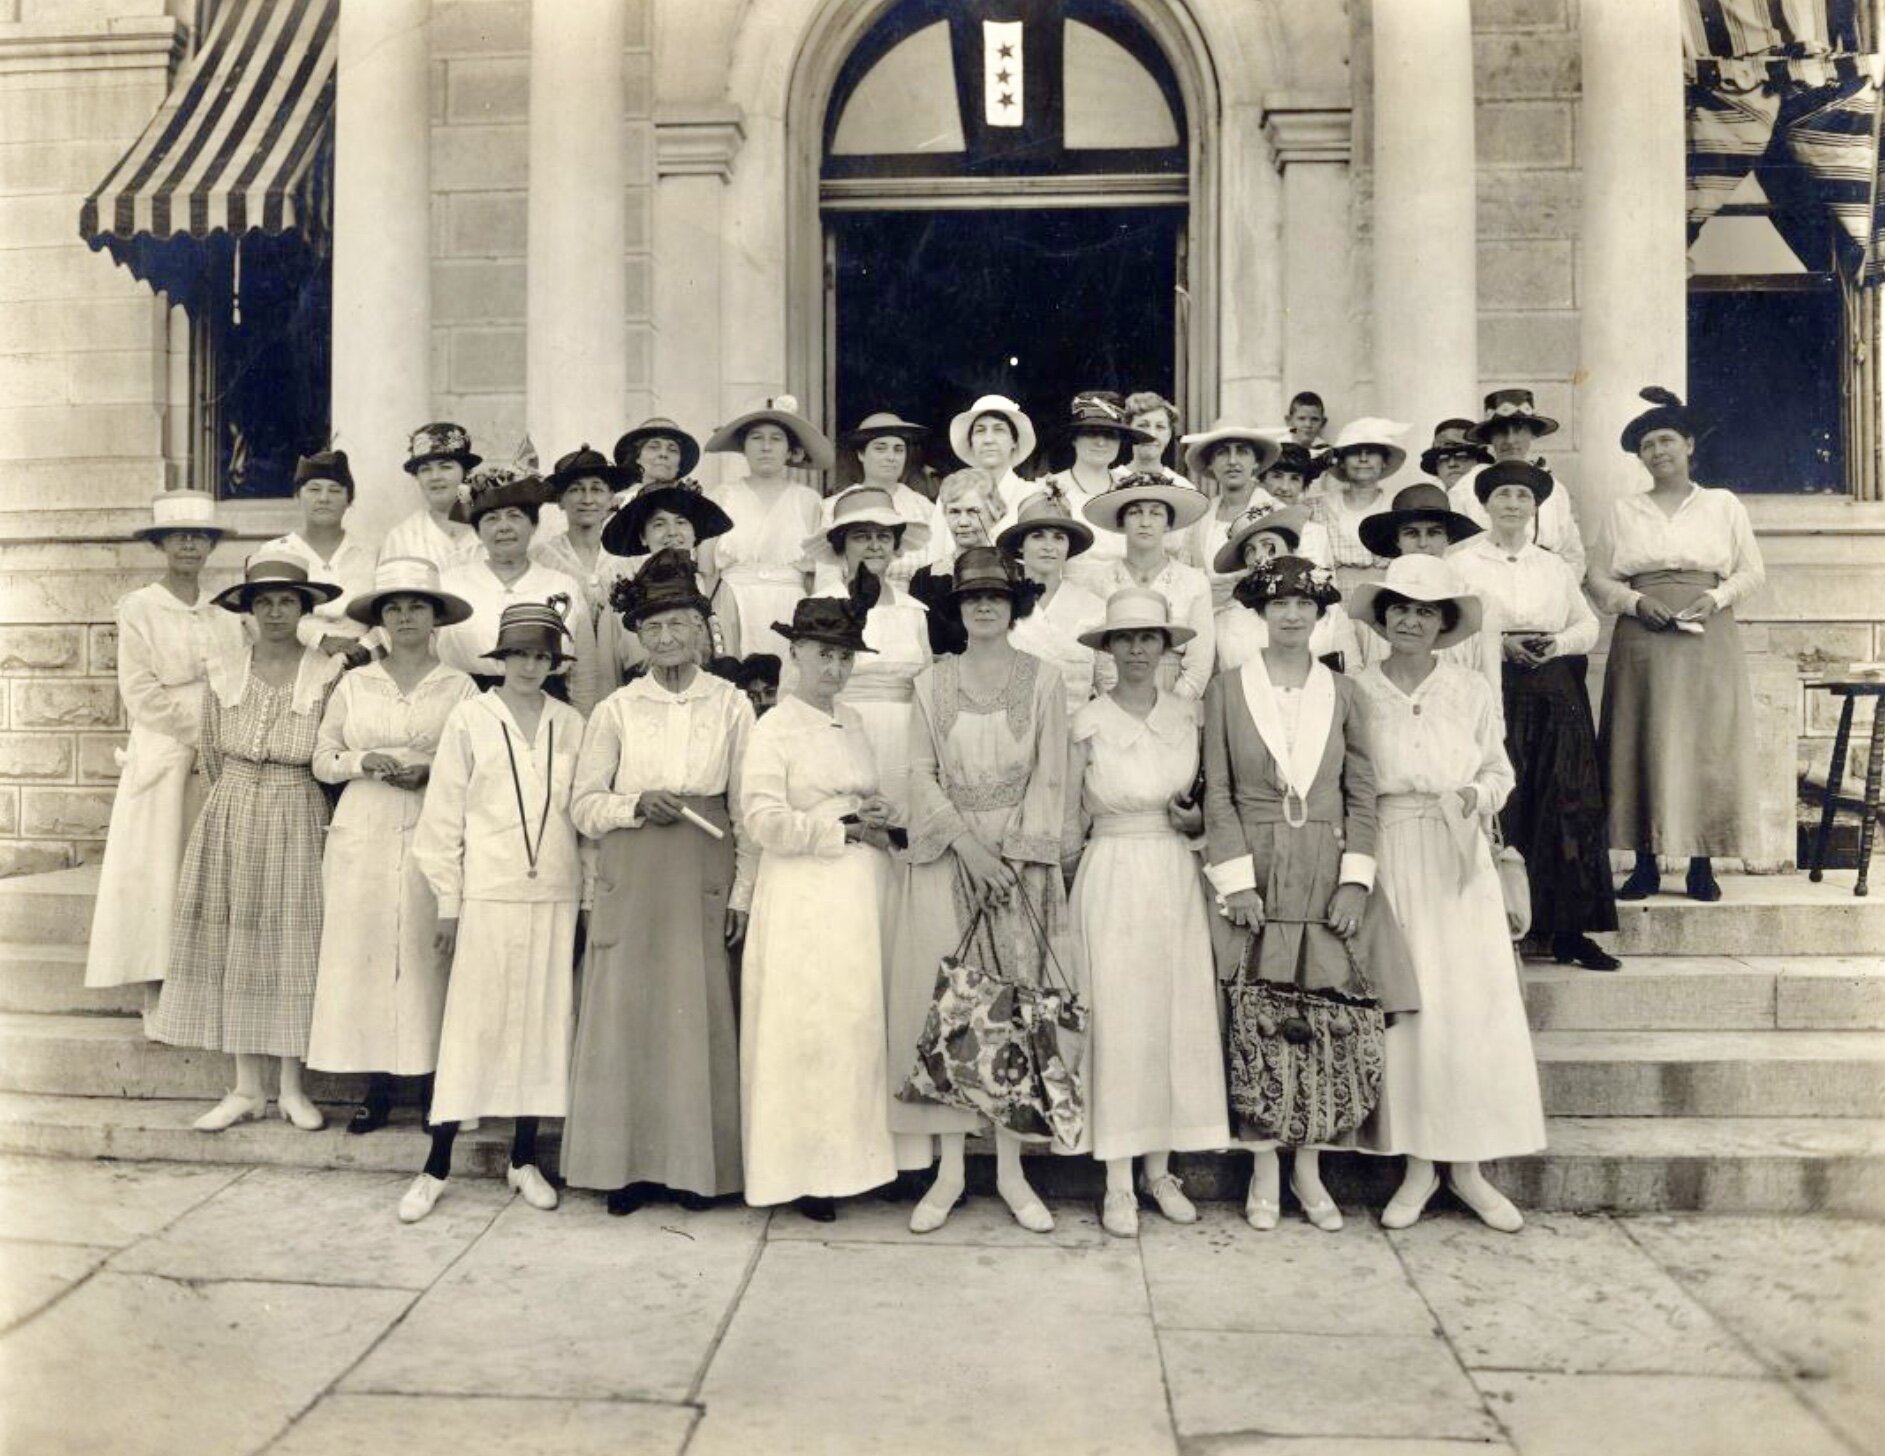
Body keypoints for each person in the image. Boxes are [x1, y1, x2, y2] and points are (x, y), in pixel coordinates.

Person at [1202, 556, 1419, 1233]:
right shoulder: (1227, 689)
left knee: (1326, 1016)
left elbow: (1361, 792)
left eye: (1304, 604)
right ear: (1259, 614)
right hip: (1259, 867)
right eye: (1278, 605)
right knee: (1256, 1014)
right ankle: (1264, 1164)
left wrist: (1356, 880)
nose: (1292, 615)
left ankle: (1310, 1168)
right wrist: (1236, 881)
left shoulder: (1344, 692)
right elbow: (1218, 791)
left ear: (1319, 614)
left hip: (1325, 865)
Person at [1350, 555, 1545, 1233]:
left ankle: (1467, 1169)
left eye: (1424, 611)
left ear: (1442, 624)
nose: (1409, 621)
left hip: (1458, 853)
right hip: (1389, 851)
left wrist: (1472, 795)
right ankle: (1417, 1168)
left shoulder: (1469, 690)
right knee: (1411, 1006)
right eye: (1398, 608)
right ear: (1381, 618)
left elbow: (1498, 770)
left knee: (1467, 1005)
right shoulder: (1357, 689)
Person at [565, 550, 757, 1215]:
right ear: (637, 636)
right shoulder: (617, 709)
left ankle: (696, 1172)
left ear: (701, 630)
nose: (668, 639)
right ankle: (626, 1170)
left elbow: (748, 807)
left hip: (705, 868)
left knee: (697, 1015)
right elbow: (583, 804)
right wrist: (632, 804)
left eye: (679, 624)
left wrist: (743, 893)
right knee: (631, 1015)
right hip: (635, 867)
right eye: (654, 628)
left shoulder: (731, 704)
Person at [890, 546, 1072, 1234]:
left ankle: (1010, 1170)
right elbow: (916, 770)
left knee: (1012, 1011)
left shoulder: (1046, 681)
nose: (985, 607)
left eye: (997, 596)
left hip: (1018, 866)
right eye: (972, 599)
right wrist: (965, 844)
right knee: (949, 1013)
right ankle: (948, 1170)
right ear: (957, 610)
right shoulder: (929, 683)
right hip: (948, 855)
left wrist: (1013, 856)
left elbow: (1052, 774)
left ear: (1014, 604)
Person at [400, 603, 585, 1222]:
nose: (530, 665)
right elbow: (442, 819)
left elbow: (582, 820)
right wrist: (449, 905)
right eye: (520, 654)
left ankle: (523, 1157)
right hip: (487, 894)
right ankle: (436, 1165)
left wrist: (585, 901)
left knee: (541, 1023)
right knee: (475, 1026)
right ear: (500, 660)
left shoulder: (572, 722)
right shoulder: (470, 719)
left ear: (553, 662)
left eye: (541, 655)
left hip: (555, 893)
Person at [147, 560, 344, 1133]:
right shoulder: (227, 670)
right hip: (232, 809)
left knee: (291, 943)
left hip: (296, 807)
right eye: (264, 603)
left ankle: (290, 1088)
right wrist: (234, 803)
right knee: (234, 942)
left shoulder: (327, 673)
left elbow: (332, 750)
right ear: (249, 612)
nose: (276, 613)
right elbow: (209, 752)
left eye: (287, 602)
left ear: (304, 608)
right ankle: (245, 1087)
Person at [1063, 589, 1228, 1237]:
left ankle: (1160, 1169)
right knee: (1118, 1014)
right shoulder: (1084, 722)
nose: (1136, 650)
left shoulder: (1189, 715)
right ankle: (1115, 1179)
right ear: (1107, 649)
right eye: (1124, 638)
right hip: (1109, 873)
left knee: (1171, 1013)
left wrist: (1195, 825)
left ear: (1166, 648)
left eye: (1148, 638)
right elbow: (1070, 817)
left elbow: (1211, 804)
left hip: (1172, 872)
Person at [739, 591, 901, 1220]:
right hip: (805, 892)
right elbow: (763, 820)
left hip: (860, 891)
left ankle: (860, 1163)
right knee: (807, 1025)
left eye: (843, 656)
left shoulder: (853, 723)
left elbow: (865, 790)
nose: (834, 667)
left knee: (856, 1020)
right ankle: (804, 1172)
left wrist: (878, 812)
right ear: (795, 654)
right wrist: (841, 832)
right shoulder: (774, 728)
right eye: (822, 654)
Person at [306, 558, 479, 1131]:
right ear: (380, 620)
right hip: (365, 824)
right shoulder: (355, 684)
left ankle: (434, 1086)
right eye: (394, 608)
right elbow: (323, 758)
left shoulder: (459, 686)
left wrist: (430, 767)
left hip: (433, 822)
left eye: (417, 607)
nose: (406, 617)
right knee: (370, 953)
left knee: (426, 951)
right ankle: (375, 1087)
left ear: (436, 619)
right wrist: (362, 760)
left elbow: (478, 761)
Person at [1590, 387, 1765, 904]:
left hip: (1707, 635)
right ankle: (1644, 863)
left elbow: (1752, 571)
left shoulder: (1722, 504)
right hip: (1644, 637)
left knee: (1704, 742)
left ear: (1689, 445)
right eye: (1647, 446)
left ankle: (1701, 863)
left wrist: (1715, 596)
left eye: (1666, 440)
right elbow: (1596, 578)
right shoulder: (1624, 511)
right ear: (1640, 458)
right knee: (1642, 738)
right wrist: (1634, 602)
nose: (1658, 452)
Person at [84, 493, 246, 1010]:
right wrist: (196, 734)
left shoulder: (224, 613)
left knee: (210, 866)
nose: (190, 546)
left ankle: (202, 990)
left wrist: (221, 736)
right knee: (157, 864)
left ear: (211, 545)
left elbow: (237, 679)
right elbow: (140, 691)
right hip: (165, 744)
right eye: (178, 536)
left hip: (220, 742)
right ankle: (156, 993)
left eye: (199, 536)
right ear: (160, 544)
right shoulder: (139, 607)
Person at [1454, 461, 1618, 969]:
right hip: (1490, 685)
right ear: (1485, 504)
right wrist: (1504, 647)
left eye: (1522, 497)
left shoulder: (1552, 567)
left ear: (1534, 508)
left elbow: (1587, 625)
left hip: (1554, 687)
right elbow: (1455, 626)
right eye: (1502, 495)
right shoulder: (1463, 563)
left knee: (1567, 800)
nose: (1512, 505)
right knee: (1505, 799)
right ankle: (1498, 927)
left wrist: (1554, 645)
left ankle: (1568, 931)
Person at [800, 488, 932, 819]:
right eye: (862, 536)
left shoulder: (915, 610)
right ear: (841, 544)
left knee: (901, 828)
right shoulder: (821, 606)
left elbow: (928, 687)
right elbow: (798, 689)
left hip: (904, 738)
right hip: (842, 733)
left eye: (884, 536)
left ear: (895, 546)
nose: (875, 545)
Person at [436, 462, 599, 711]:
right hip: (465, 706)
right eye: (491, 519)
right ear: (478, 531)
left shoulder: (562, 585)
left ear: (533, 526)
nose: (504, 527)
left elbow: (584, 670)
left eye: (514, 516)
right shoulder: (450, 584)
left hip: (549, 708)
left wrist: (582, 722)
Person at [703, 395, 832, 659]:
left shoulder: (809, 501)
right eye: (756, 438)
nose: (765, 447)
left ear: (789, 450)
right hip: (733, 603)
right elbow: (706, 569)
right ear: (744, 447)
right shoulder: (722, 496)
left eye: (776, 439)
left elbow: (819, 574)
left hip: (791, 607)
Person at [1352, 483, 1504, 708]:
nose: (1423, 544)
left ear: (1448, 538)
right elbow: (1363, 676)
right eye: (1411, 533)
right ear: (1397, 540)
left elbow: (1490, 681)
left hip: (1456, 717)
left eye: (1434, 533)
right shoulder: (1372, 601)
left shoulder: (1475, 601)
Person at [1082, 473, 1215, 701]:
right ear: (1122, 521)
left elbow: (1199, 666)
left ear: (1169, 523)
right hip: (1116, 697)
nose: (1145, 522)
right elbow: (1100, 662)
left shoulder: (1194, 582)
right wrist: (1120, 706)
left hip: (1175, 695)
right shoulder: (1098, 581)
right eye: (1135, 513)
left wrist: (1172, 708)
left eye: (1155, 513)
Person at [598, 482, 741, 680]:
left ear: (695, 532)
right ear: (643, 537)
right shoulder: (623, 600)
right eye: (659, 524)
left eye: (681, 522)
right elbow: (606, 680)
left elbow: (732, 664)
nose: (672, 532)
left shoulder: (718, 590)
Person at [1447, 389, 1587, 580]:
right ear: (1489, 438)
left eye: (1519, 429)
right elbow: (1452, 551)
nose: (1511, 440)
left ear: (1532, 434)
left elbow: (1572, 555)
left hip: (1545, 586)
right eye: (1501, 432)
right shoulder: (1466, 489)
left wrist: (1557, 591)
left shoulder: (1555, 489)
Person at [997, 488, 1113, 715]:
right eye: (1038, 536)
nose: (1049, 546)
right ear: (1021, 545)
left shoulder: (1094, 608)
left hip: (1075, 736)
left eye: (1059, 537)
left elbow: (1108, 685)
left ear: (1068, 546)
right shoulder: (999, 605)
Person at [259, 450, 379, 666]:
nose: (324, 499)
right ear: (297, 496)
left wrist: (366, 647)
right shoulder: (276, 552)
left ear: (349, 499)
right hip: (293, 661)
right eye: (314, 489)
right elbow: (258, 615)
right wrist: (321, 640)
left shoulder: (371, 554)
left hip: (360, 664)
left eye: (335, 490)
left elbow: (388, 613)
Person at [1211, 504, 1358, 673]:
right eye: (1250, 551)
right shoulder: (1226, 619)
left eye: (1268, 545)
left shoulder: (1330, 612)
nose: (1258, 557)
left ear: (1292, 550)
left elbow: (1353, 673)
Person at [1037, 394, 1156, 593]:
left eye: (1110, 435)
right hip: (1067, 601)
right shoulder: (1047, 489)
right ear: (1074, 438)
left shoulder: (1133, 490)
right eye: (1092, 432)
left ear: (1120, 442)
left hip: (1124, 599)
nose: (1101, 442)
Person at [819, 413, 935, 591]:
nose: (891, 457)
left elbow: (936, 567)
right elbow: (827, 573)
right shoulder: (834, 506)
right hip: (851, 608)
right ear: (861, 454)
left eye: (898, 449)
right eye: (881, 448)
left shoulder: (923, 507)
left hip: (911, 606)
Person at [534, 444, 635, 648]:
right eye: (575, 490)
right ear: (560, 501)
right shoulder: (540, 559)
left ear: (610, 498)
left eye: (596, 489)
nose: (587, 499)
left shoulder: (630, 558)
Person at [1177, 420, 1282, 604]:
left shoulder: (1276, 512)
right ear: (1210, 463)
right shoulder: (1200, 516)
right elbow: (1185, 576)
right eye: (1222, 453)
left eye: (1242, 452)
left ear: (1255, 461)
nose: (1232, 461)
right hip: (1209, 618)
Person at [924, 394, 1038, 553]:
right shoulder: (951, 495)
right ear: (971, 442)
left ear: (1014, 441)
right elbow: (935, 556)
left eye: (999, 430)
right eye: (980, 431)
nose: (988, 439)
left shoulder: (1032, 495)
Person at [909, 467, 1003, 656]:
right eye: (954, 512)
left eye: (973, 511)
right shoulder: (924, 579)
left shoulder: (1013, 573)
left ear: (994, 516)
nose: (963, 522)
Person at [1313, 419, 1409, 594]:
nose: (1363, 459)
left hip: (1386, 603)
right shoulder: (1319, 508)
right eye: (1355, 452)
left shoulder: (1400, 507)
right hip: (1333, 607)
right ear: (1341, 462)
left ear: (1384, 462)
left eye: (1371, 452)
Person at [381, 423, 484, 572]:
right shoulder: (403, 537)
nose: (435, 477)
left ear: (465, 472)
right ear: (417, 477)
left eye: (445, 467)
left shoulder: (493, 526)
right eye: (425, 469)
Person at [1253, 442, 1334, 566]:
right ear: (1262, 480)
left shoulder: (1316, 533)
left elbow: (1327, 580)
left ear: (1303, 485)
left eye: (1295, 478)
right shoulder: (1248, 529)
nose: (1285, 487)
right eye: (1277, 476)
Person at [612, 416, 702, 504]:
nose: (663, 454)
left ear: (679, 463)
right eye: (654, 447)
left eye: (673, 449)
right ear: (637, 457)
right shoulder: (618, 504)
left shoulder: (695, 505)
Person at [1119, 391, 1186, 486]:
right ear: (1128, 431)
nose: (1152, 434)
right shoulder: (1111, 481)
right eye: (1143, 425)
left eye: (1160, 427)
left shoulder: (1183, 487)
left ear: (1169, 434)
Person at [1418, 419, 1491, 496]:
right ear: (1436, 466)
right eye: (1443, 458)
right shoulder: (1432, 503)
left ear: (1479, 461)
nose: (1452, 464)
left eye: (1462, 456)